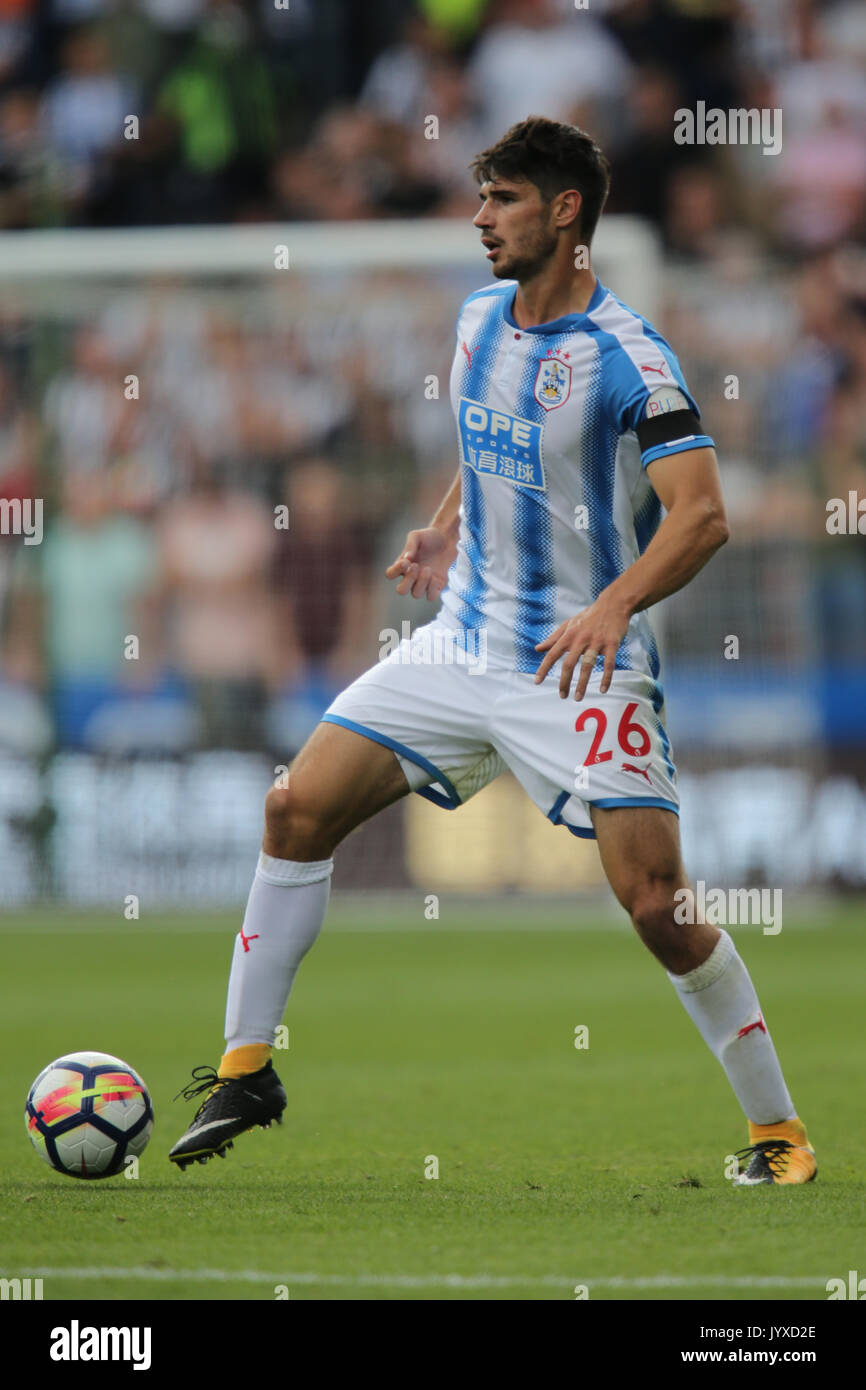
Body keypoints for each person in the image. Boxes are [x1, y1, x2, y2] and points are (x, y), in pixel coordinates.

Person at [169, 116, 815, 1188]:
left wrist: (610, 608)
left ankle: (777, 1136)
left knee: (655, 903)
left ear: (564, 213)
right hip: (458, 642)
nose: (479, 221)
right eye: (479, 199)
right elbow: (487, 446)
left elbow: (700, 517)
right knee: (292, 807)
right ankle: (246, 1068)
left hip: (577, 665)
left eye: (501, 200)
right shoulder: (475, 319)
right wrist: (442, 526)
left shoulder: (630, 360)